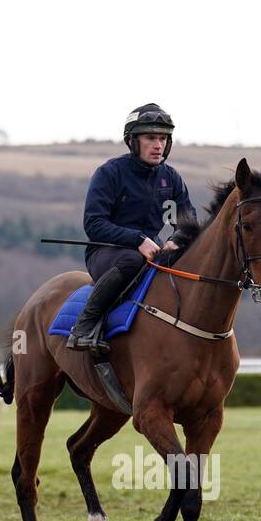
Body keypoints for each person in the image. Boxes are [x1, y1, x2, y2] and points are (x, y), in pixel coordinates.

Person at [66, 103, 196, 354]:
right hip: (108, 253)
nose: (158, 145)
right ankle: (84, 326)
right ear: (132, 141)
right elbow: (94, 224)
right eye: (150, 138)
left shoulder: (171, 178)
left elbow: (187, 218)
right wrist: (137, 239)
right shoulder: (109, 173)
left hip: (152, 251)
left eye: (163, 138)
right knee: (132, 259)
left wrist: (177, 239)